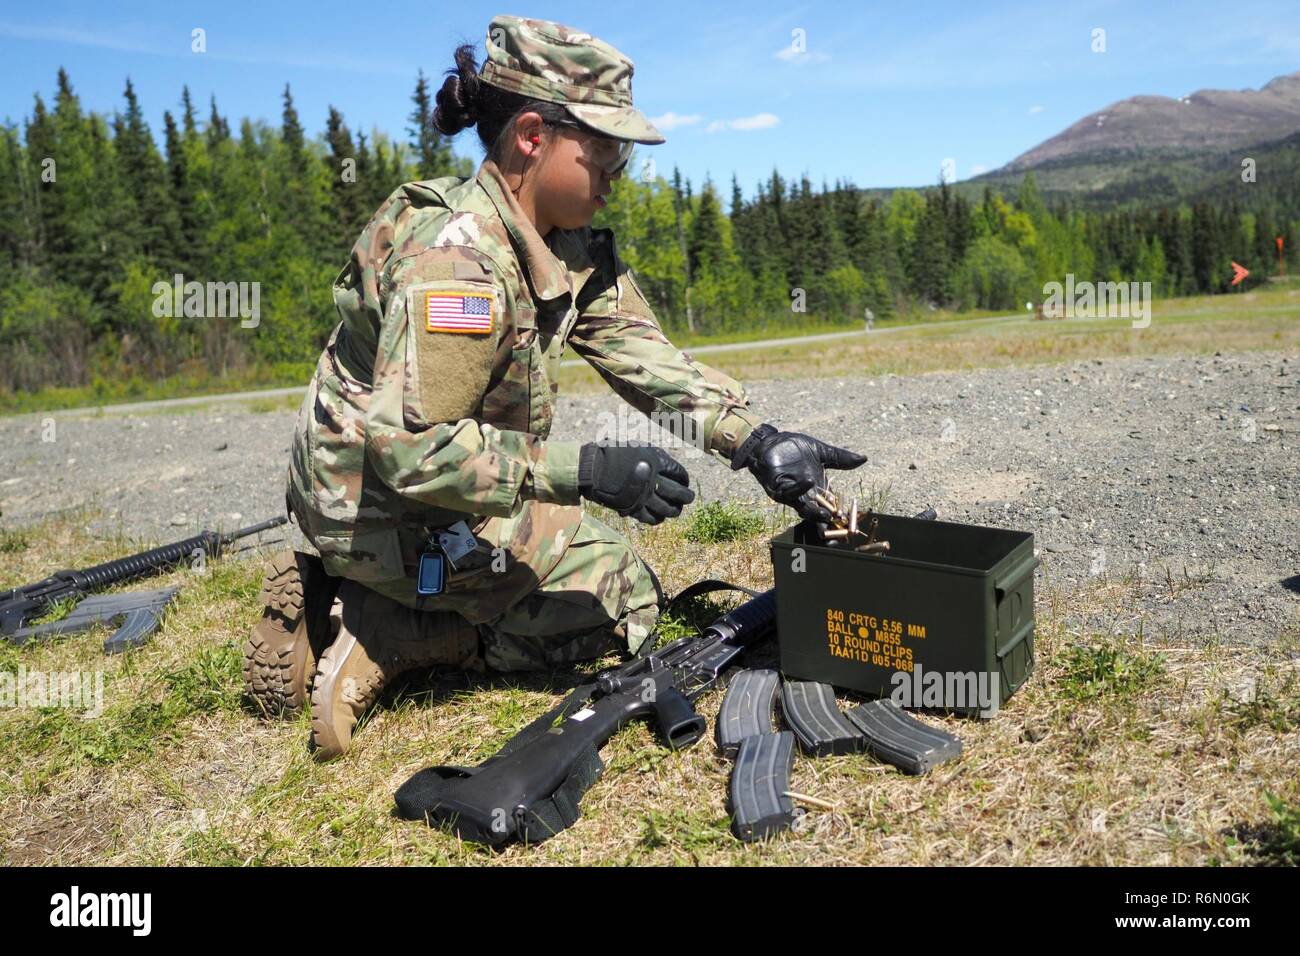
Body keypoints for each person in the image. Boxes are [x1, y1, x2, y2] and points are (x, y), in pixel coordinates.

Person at [242, 15, 867, 759]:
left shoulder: (556, 243)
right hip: (382, 506)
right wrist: (585, 473)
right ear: (532, 135)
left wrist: (756, 441)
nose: (615, 179)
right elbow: (411, 450)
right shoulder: (461, 266)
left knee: (620, 578)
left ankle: (374, 597)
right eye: (604, 154)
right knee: (620, 609)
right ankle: (393, 627)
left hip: (434, 496)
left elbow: (646, 360)